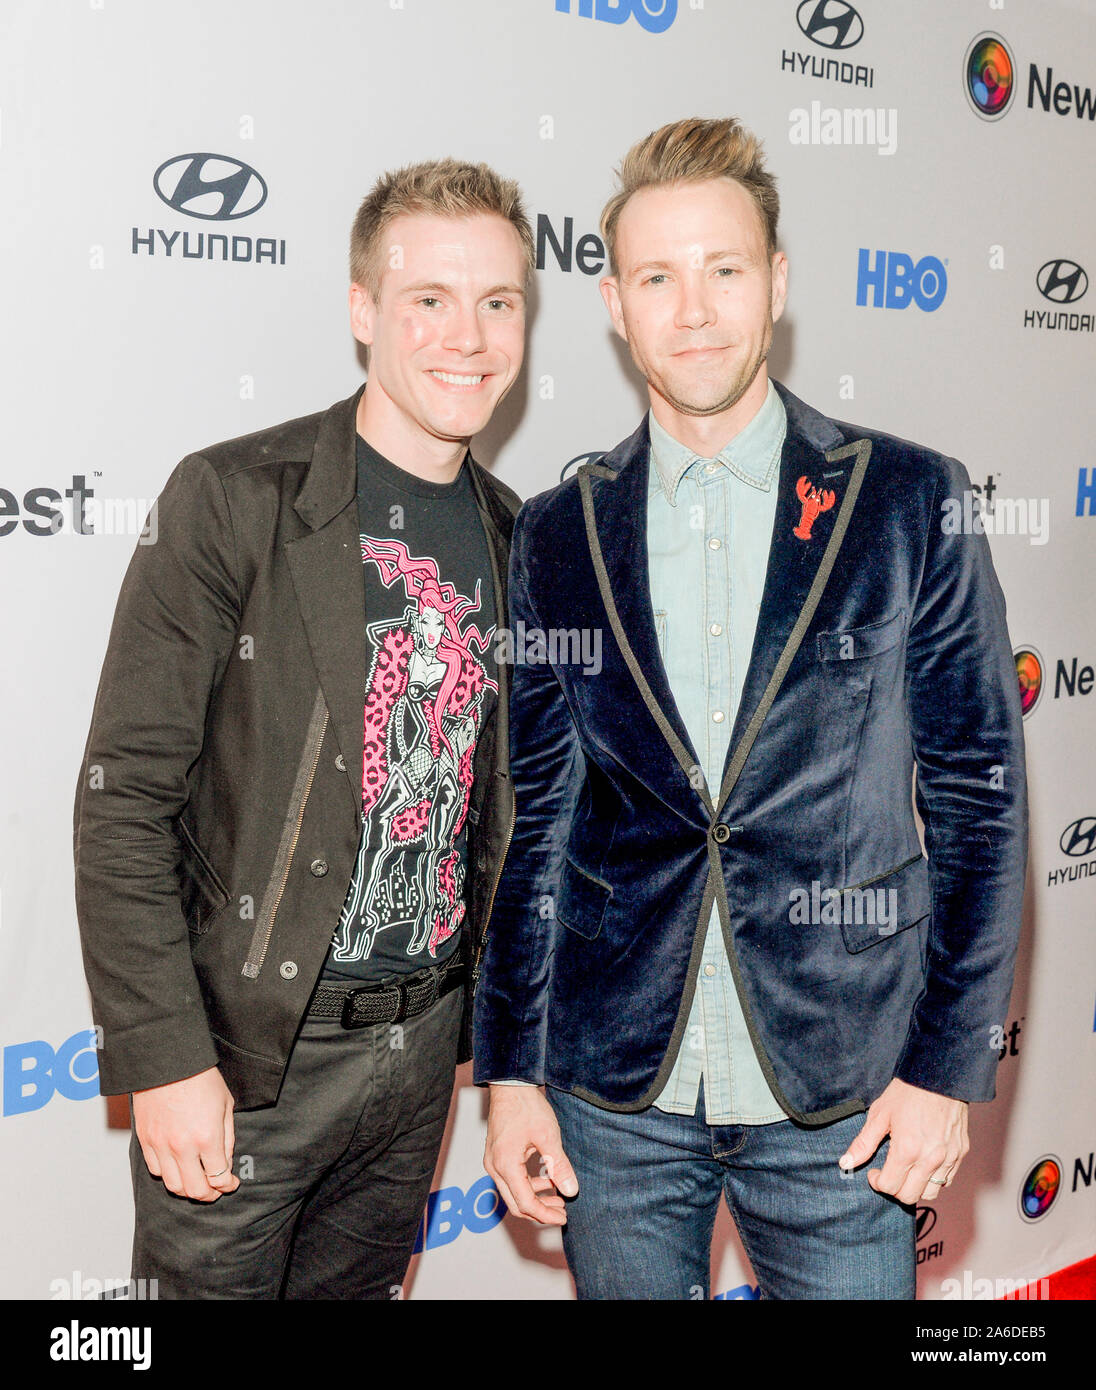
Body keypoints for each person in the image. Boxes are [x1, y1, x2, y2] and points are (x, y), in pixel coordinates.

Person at [474, 117, 1027, 1300]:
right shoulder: (560, 534)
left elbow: (980, 804)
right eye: (657, 277)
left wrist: (947, 1067)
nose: (693, 309)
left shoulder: (907, 500)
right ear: (615, 303)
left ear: (775, 284)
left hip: (846, 1095)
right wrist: (510, 1070)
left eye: (723, 269)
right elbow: (538, 822)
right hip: (612, 1099)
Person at [73, 158, 530, 1299]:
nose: (464, 337)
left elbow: (503, 819)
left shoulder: (522, 537)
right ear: (363, 309)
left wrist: (498, 1045)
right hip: (248, 1057)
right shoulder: (238, 498)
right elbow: (123, 797)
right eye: (428, 298)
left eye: (497, 302)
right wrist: (169, 1059)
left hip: (418, 1055)